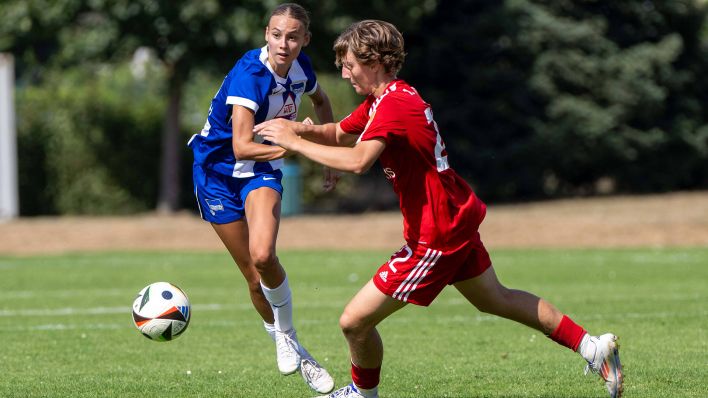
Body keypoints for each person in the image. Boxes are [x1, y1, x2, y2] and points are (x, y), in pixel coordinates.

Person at [254, 19, 624, 398]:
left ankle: (363, 395)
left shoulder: (394, 105)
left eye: (350, 65)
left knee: (354, 322)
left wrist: (294, 145)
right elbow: (338, 134)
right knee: (496, 298)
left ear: (376, 60)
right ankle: (593, 347)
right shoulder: (385, 99)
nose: (345, 73)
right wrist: (298, 129)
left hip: (435, 235)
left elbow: (357, 161)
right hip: (453, 219)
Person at [187, 3, 335, 394]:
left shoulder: (302, 69)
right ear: (265, 34)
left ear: (305, 39)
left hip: (260, 170)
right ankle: (296, 350)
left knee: (264, 256)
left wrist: (324, 146)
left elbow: (321, 103)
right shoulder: (251, 75)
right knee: (254, 279)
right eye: (275, 34)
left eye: (292, 36)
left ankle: (285, 333)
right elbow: (240, 146)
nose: (282, 44)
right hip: (217, 175)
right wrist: (301, 144)